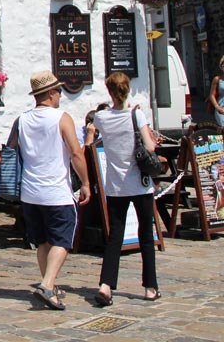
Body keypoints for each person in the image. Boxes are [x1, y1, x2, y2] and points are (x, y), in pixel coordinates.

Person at [17, 70, 90, 311]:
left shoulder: (22, 119)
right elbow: (76, 153)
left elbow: (14, 150)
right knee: (62, 239)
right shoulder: (61, 118)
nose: (60, 95)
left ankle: (48, 284)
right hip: (55, 189)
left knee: (42, 242)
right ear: (50, 93)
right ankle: (47, 284)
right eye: (58, 90)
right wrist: (86, 183)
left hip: (30, 191)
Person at [86, 73, 160, 306]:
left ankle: (106, 285)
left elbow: (90, 136)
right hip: (139, 183)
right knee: (146, 236)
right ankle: (150, 287)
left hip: (116, 185)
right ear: (127, 90)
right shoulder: (136, 114)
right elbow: (149, 146)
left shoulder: (101, 117)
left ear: (109, 92)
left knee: (114, 237)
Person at [209, 56, 224, 127]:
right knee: (222, 127)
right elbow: (212, 95)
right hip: (221, 108)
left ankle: (213, 138)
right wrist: (217, 107)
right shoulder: (217, 79)